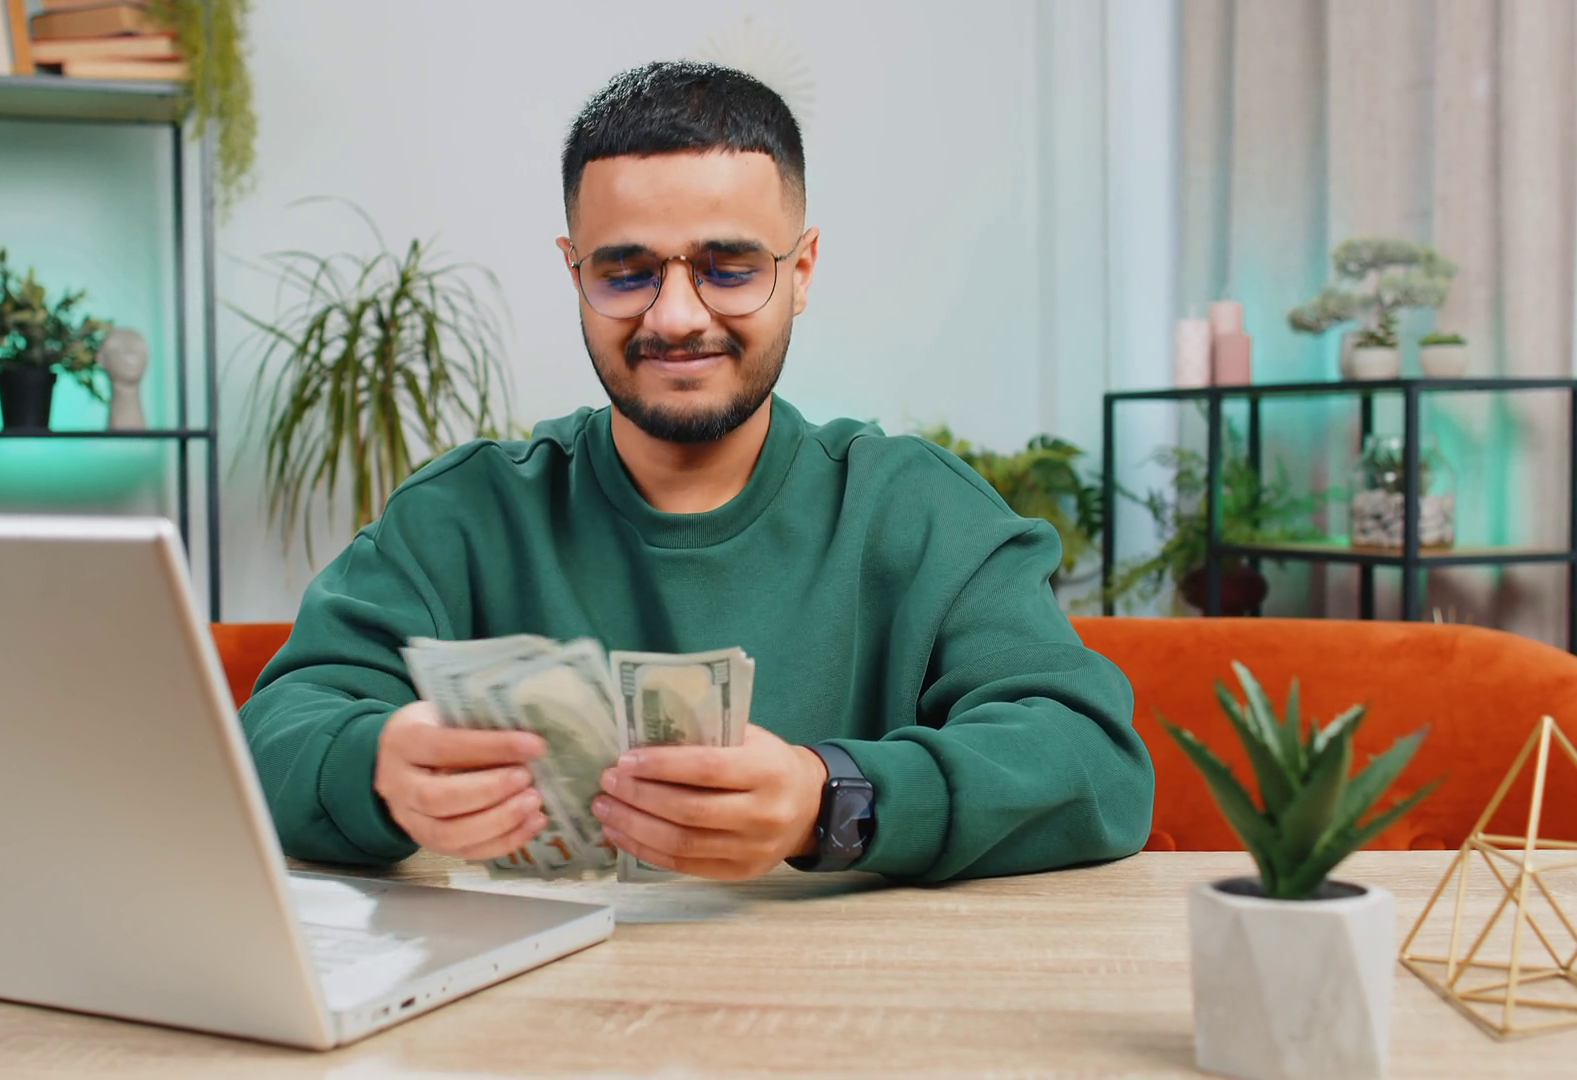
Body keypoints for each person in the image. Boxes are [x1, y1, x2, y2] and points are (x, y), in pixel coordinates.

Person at [239, 61, 1153, 884]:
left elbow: (1094, 761)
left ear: (801, 271)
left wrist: (825, 797)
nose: (676, 316)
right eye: (626, 272)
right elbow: (277, 728)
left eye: (728, 268)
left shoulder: (916, 511)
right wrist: (374, 767)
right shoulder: (463, 513)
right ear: (574, 274)